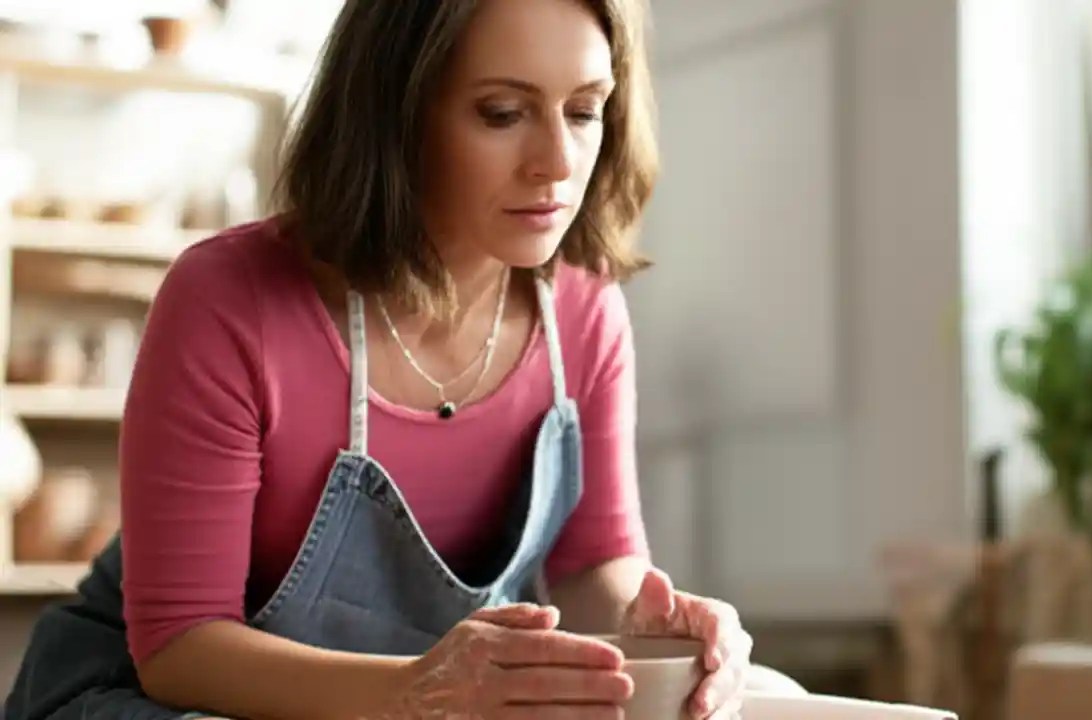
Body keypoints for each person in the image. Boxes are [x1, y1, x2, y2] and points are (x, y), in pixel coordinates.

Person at [3, 0, 758, 718]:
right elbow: (179, 645)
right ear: (395, 113)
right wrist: (419, 694)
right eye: (502, 113)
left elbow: (592, 565)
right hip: (147, 698)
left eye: (586, 109)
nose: (557, 161)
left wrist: (656, 619)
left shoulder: (584, 312)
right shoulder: (229, 301)